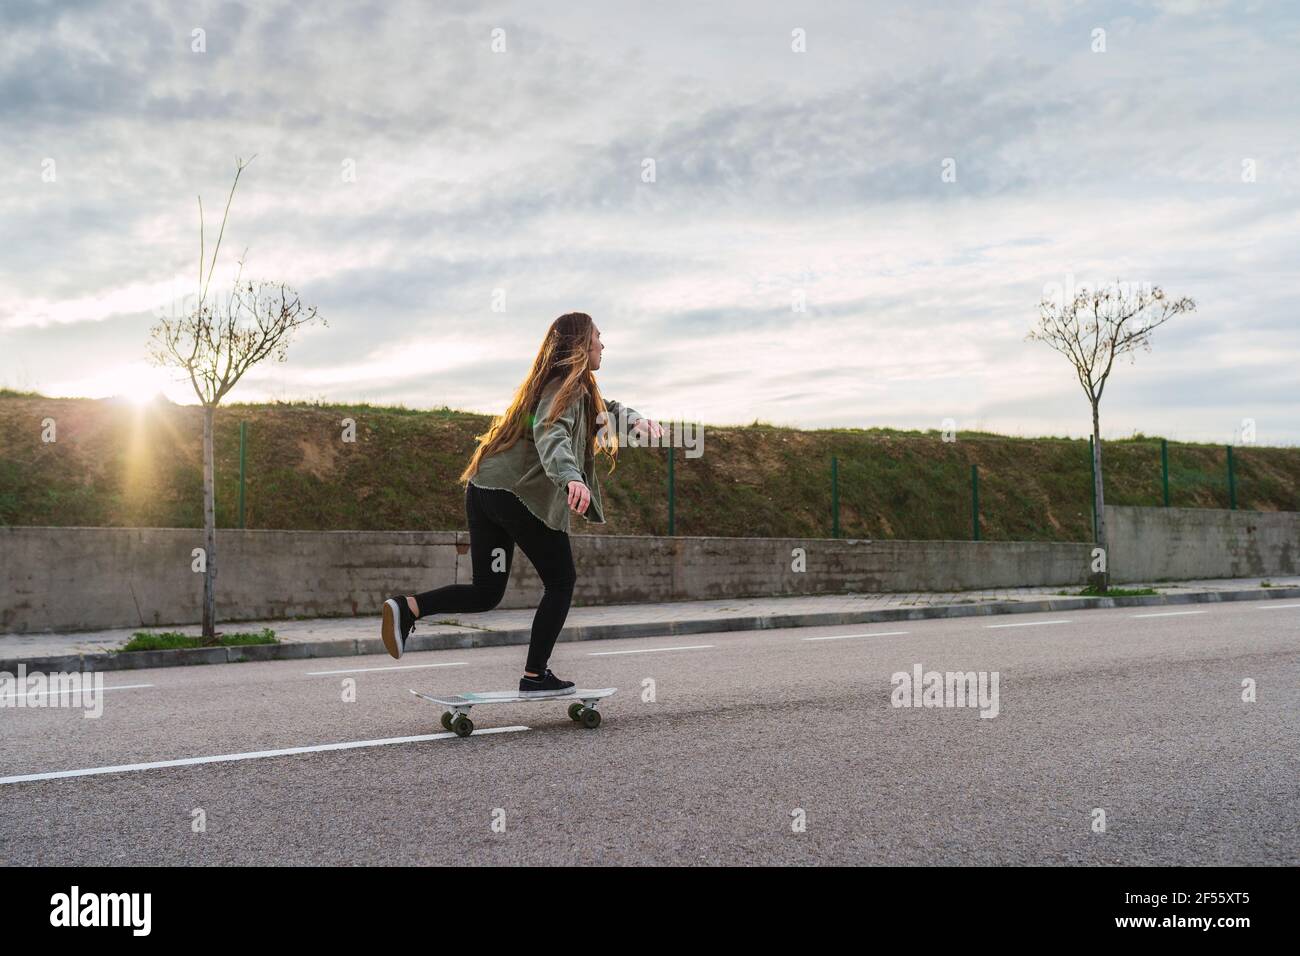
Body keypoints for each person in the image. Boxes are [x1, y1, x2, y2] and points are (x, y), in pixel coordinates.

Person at [380, 312, 663, 697]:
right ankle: (535, 675)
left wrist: (635, 421)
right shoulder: (565, 388)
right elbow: (552, 432)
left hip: (485, 491)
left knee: (486, 591)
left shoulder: (565, 387)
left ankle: (408, 608)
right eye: (598, 337)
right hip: (515, 496)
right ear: (583, 344)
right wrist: (571, 477)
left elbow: (606, 409)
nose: (603, 344)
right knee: (561, 582)